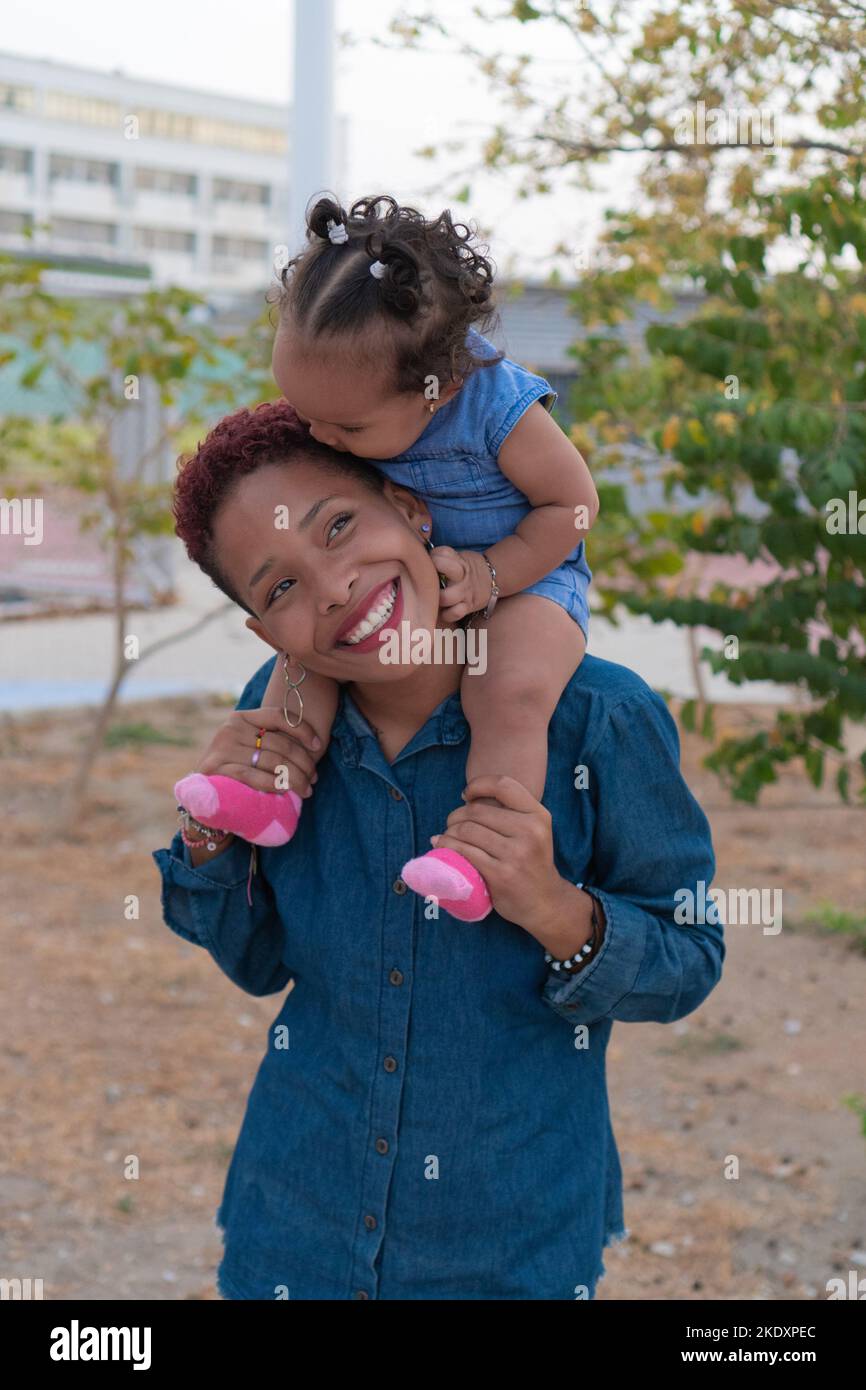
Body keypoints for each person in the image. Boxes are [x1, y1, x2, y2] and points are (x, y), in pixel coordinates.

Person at [152, 399, 724, 1301]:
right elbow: (261, 965)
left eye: (338, 526)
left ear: (414, 508)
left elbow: (690, 959)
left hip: (506, 1246)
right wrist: (211, 837)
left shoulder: (597, 718)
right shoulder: (283, 725)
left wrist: (550, 905)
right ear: (266, 634)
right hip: (296, 1230)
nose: (334, 587)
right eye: (281, 588)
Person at [175, 193, 599, 921]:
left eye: (343, 427)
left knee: (507, 689)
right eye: (303, 414)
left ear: (441, 388)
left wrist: (491, 571)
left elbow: (575, 509)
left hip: (530, 579)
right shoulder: (363, 393)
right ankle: (266, 794)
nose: (319, 436)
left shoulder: (502, 412)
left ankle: (478, 853)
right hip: (430, 571)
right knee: (303, 661)